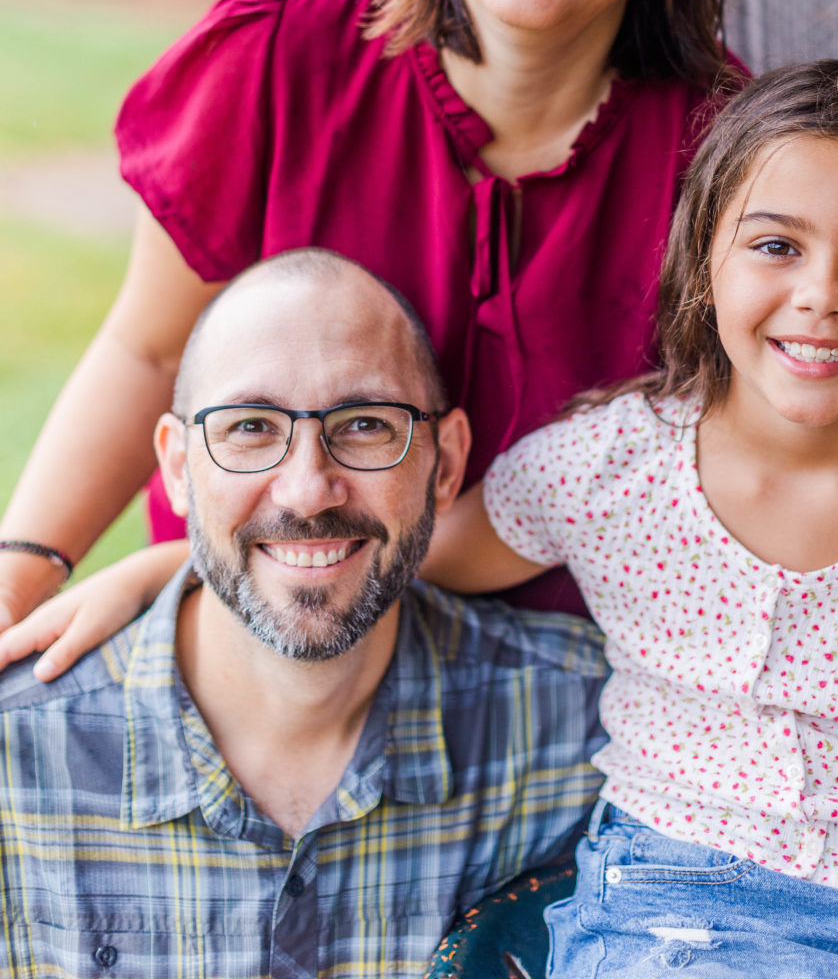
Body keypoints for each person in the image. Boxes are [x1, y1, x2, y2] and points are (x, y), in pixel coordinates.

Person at [0, 0, 764, 633]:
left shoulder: (732, 160)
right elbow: (150, 349)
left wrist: (166, 577)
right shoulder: (282, 55)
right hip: (261, 649)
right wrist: (23, 569)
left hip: (562, 715)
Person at [422, 61, 838, 977]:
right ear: (704, 255)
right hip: (678, 921)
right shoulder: (609, 471)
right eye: (775, 246)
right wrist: (157, 574)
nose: (822, 295)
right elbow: (395, 564)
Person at [0, 249, 606, 978]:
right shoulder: (16, 767)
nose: (306, 490)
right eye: (251, 426)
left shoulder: (593, 730)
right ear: (176, 468)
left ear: (444, 465)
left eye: (364, 425)